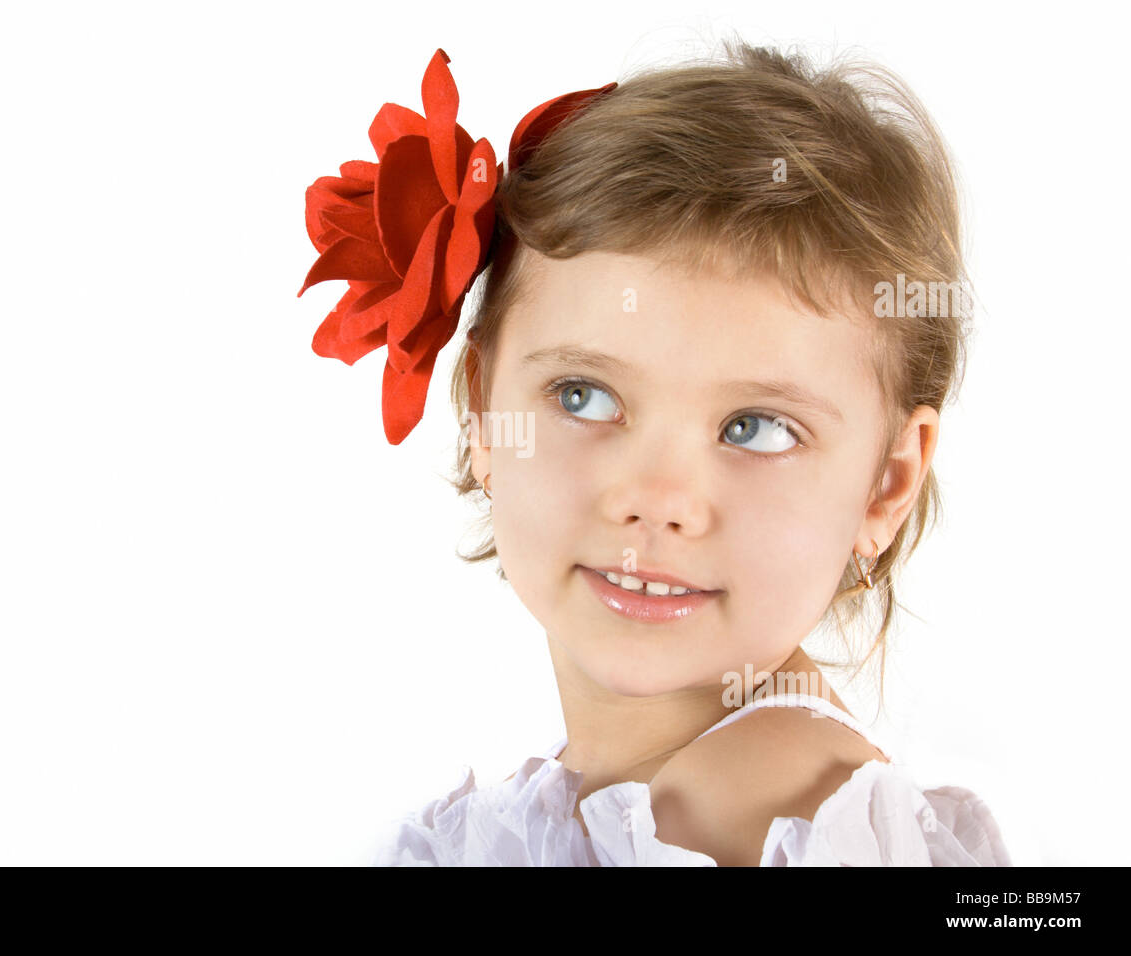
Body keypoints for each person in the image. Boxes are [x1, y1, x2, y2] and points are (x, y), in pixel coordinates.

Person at [297, 40, 1010, 866]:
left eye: (756, 427)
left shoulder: (736, 813)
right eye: (584, 398)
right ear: (483, 412)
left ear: (884, 486)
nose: (657, 498)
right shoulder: (637, 804)